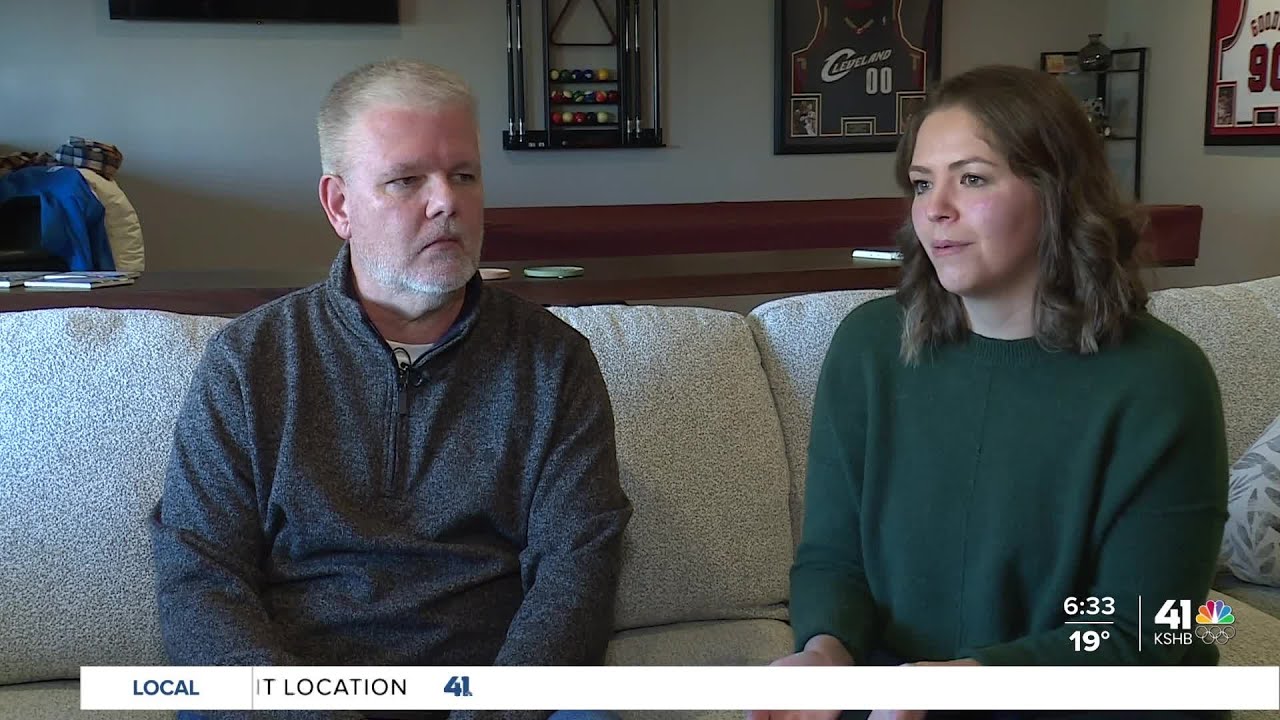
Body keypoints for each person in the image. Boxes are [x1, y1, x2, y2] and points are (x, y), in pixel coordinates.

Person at [149, 59, 632, 720]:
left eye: (463, 175)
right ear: (340, 205)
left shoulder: (553, 363)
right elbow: (199, 579)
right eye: (407, 180)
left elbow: (578, 574)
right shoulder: (250, 361)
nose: (446, 202)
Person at [750, 65, 1228, 720]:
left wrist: (963, 681)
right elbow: (834, 556)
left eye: (971, 178)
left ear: (1056, 192)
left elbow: (1152, 629)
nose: (934, 208)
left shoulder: (1164, 380)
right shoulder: (868, 347)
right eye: (922, 184)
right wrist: (824, 652)